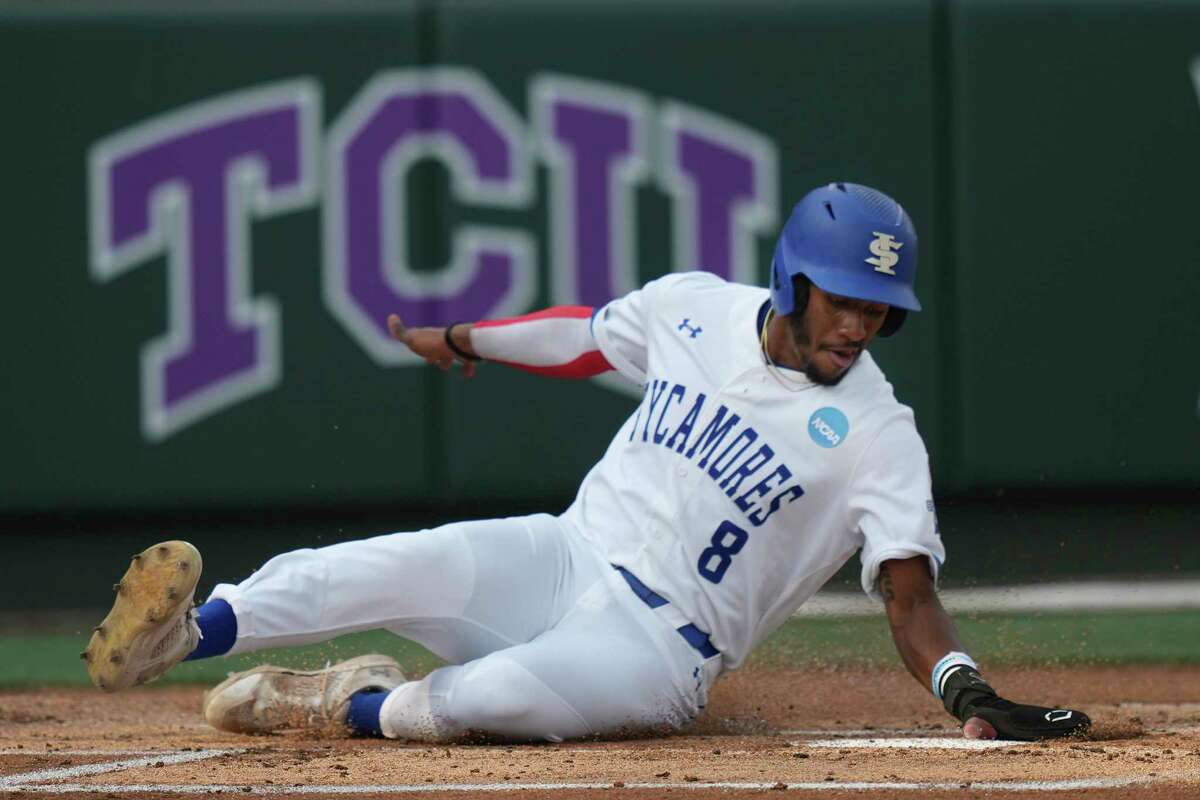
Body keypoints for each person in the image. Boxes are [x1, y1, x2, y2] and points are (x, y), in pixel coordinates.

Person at [82, 183, 1089, 743]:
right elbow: (589, 338)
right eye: (842, 298)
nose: (860, 324)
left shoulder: (880, 432)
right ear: (792, 278)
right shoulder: (697, 304)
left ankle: (342, 701)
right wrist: (471, 337)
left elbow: (909, 594)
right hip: (568, 550)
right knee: (389, 560)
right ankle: (194, 630)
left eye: (879, 310)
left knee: (487, 699)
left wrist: (965, 686)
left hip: (660, 649)